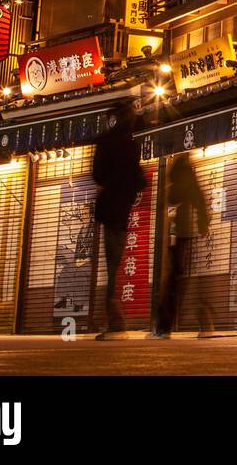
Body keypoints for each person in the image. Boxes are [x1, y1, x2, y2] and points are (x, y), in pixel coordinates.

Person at [91, 101, 144, 339]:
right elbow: (138, 178)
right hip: (121, 210)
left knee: (110, 264)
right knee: (114, 264)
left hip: (107, 208)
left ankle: (111, 316)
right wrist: (130, 188)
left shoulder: (105, 141)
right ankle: (113, 317)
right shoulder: (131, 145)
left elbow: (97, 174)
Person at [154, 152, 212, 337]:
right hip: (184, 235)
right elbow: (201, 203)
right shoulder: (190, 181)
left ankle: (164, 324)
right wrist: (203, 224)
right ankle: (167, 322)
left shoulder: (173, 184)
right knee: (177, 277)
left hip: (172, 235)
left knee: (172, 277)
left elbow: (165, 204)